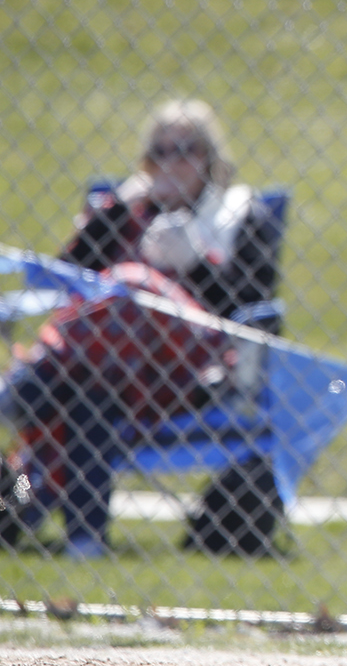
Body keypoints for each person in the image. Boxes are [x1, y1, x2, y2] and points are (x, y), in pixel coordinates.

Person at [0, 99, 286, 558]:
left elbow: (254, 305)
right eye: (160, 151)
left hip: (187, 369)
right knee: (91, 397)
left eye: (187, 149)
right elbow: (66, 279)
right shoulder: (126, 211)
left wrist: (197, 264)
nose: (172, 163)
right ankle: (85, 541)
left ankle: (20, 392)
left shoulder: (237, 214)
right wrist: (112, 212)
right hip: (105, 374)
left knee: (131, 284)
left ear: (210, 158)